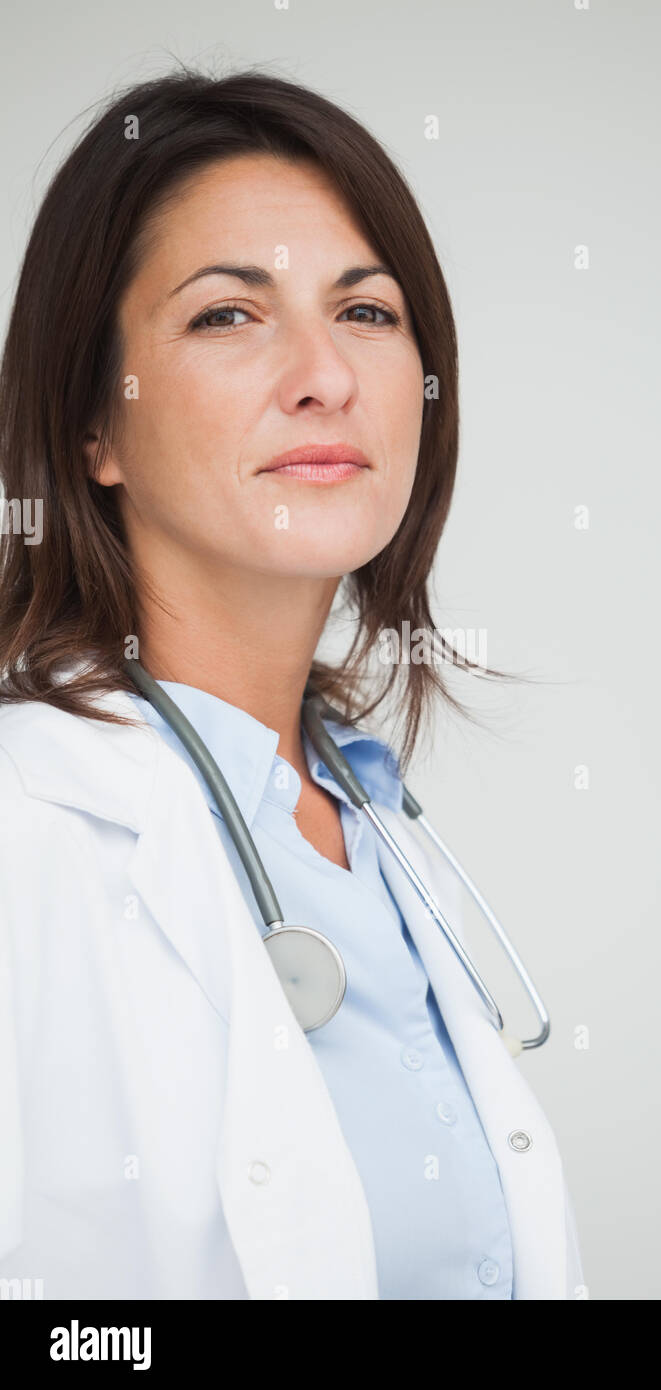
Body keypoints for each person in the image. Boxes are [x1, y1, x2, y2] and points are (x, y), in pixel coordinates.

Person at [0, 67, 584, 1300]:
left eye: (367, 314)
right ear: (92, 421)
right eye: (228, 315)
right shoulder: (29, 831)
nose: (325, 375)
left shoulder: (369, 820)